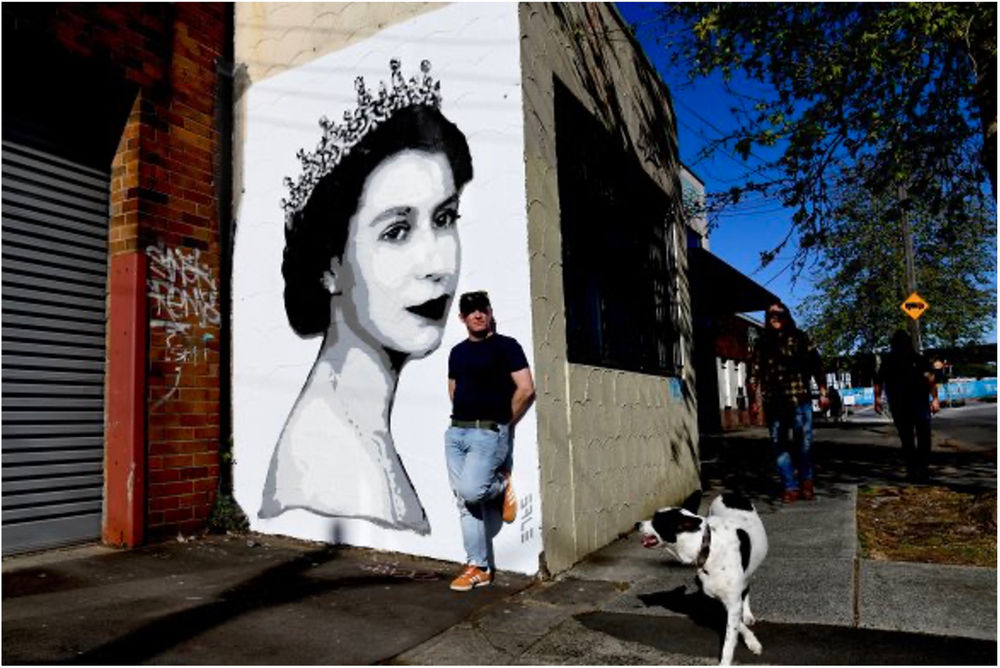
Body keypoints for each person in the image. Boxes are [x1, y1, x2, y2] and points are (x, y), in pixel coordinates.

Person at [259, 59, 474, 533]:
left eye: (444, 219)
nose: (437, 264)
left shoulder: (363, 435)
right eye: (397, 231)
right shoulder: (334, 469)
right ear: (330, 266)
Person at [445, 290, 534, 591]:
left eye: (482, 309)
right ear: (462, 318)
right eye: (470, 311)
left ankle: (499, 484)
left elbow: (525, 389)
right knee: (465, 499)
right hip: (456, 432)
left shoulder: (506, 346)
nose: (477, 315)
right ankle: (478, 566)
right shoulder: (457, 352)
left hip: (488, 433)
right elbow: (454, 389)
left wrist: (502, 423)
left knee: (472, 490)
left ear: (490, 312)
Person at [749, 302, 828, 503]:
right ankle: (790, 487)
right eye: (770, 315)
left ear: (787, 315)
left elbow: (817, 365)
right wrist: (753, 401)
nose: (774, 317)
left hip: (799, 399)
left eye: (778, 313)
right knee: (779, 444)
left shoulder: (801, 337)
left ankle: (806, 484)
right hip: (774, 402)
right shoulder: (762, 343)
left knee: (804, 444)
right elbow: (754, 373)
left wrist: (823, 392)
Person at [874, 329, 940, 482]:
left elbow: (878, 381)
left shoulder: (899, 360)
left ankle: (916, 469)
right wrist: (934, 399)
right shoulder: (896, 361)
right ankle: (919, 469)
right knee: (919, 437)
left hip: (908, 403)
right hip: (910, 403)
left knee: (909, 438)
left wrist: (877, 399)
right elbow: (930, 379)